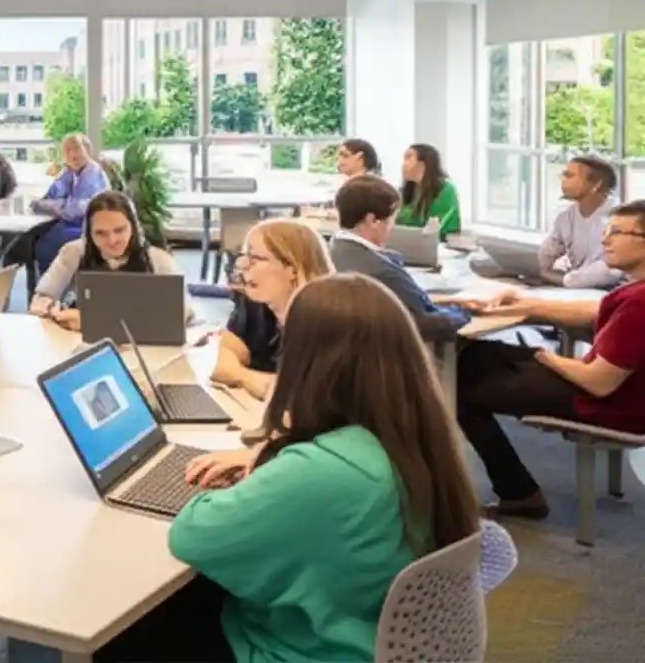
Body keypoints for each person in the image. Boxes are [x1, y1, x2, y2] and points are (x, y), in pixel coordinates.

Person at [172, 273, 480, 663]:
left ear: (309, 363)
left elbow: (191, 536)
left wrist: (268, 471)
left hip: (301, 651)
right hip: (369, 638)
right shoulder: (418, 441)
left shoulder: (325, 471)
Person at [452, 200, 645, 519]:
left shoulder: (639, 303)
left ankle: (519, 494)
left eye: (616, 232)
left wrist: (547, 358)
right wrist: (527, 305)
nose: (604, 239)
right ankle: (517, 492)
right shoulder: (634, 293)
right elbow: (594, 311)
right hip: (618, 393)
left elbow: (599, 382)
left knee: (453, 386)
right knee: (475, 353)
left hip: (607, 402)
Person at [29, 189, 195, 331]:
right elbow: (41, 298)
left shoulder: (158, 260)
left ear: (134, 228)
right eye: (100, 233)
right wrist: (51, 309)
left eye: (119, 230)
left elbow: (184, 315)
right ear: (88, 233)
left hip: (142, 347)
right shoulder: (74, 252)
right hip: (80, 345)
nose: (112, 240)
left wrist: (93, 322)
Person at [211, 219, 333, 400]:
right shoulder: (254, 305)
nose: (242, 266)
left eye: (255, 259)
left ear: (292, 270)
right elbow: (220, 358)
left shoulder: (327, 320)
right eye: (244, 256)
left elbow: (303, 395)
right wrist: (246, 375)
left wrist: (242, 375)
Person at [330, 174, 470, 331]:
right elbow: (425, 321)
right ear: (372, 220)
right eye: (391, 219)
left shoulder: (332, 252)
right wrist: (464, 310)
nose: (392, 227)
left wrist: (450, 302)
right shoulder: (384, 272)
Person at [539, 156, 623, 289]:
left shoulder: (620, 220)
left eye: (569, 176)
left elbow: (609, 271)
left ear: (597, 185)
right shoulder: (565, 216)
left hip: (611, 290)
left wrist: (560, 278)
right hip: (579, 289)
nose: (563, 181)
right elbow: (548, 253)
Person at [30, 132, 108, 275]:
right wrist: (47, 204)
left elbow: (77, 209)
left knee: (45, 246)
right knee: (33, 237)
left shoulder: (93, 172)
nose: (72, 154)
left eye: (76, 148)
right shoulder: (68, 172)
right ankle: (41, 283)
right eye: (67, 150)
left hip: (87, 226)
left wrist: (52, 206)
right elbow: (51, 196)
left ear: (87, 149)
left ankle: (52, 284)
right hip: (68, 223)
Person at [396, 143, 461, 238]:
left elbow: (443, 227)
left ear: (422, 164)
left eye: (408, 158)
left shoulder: (445, 190)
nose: (403, 165)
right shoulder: (407, 191)